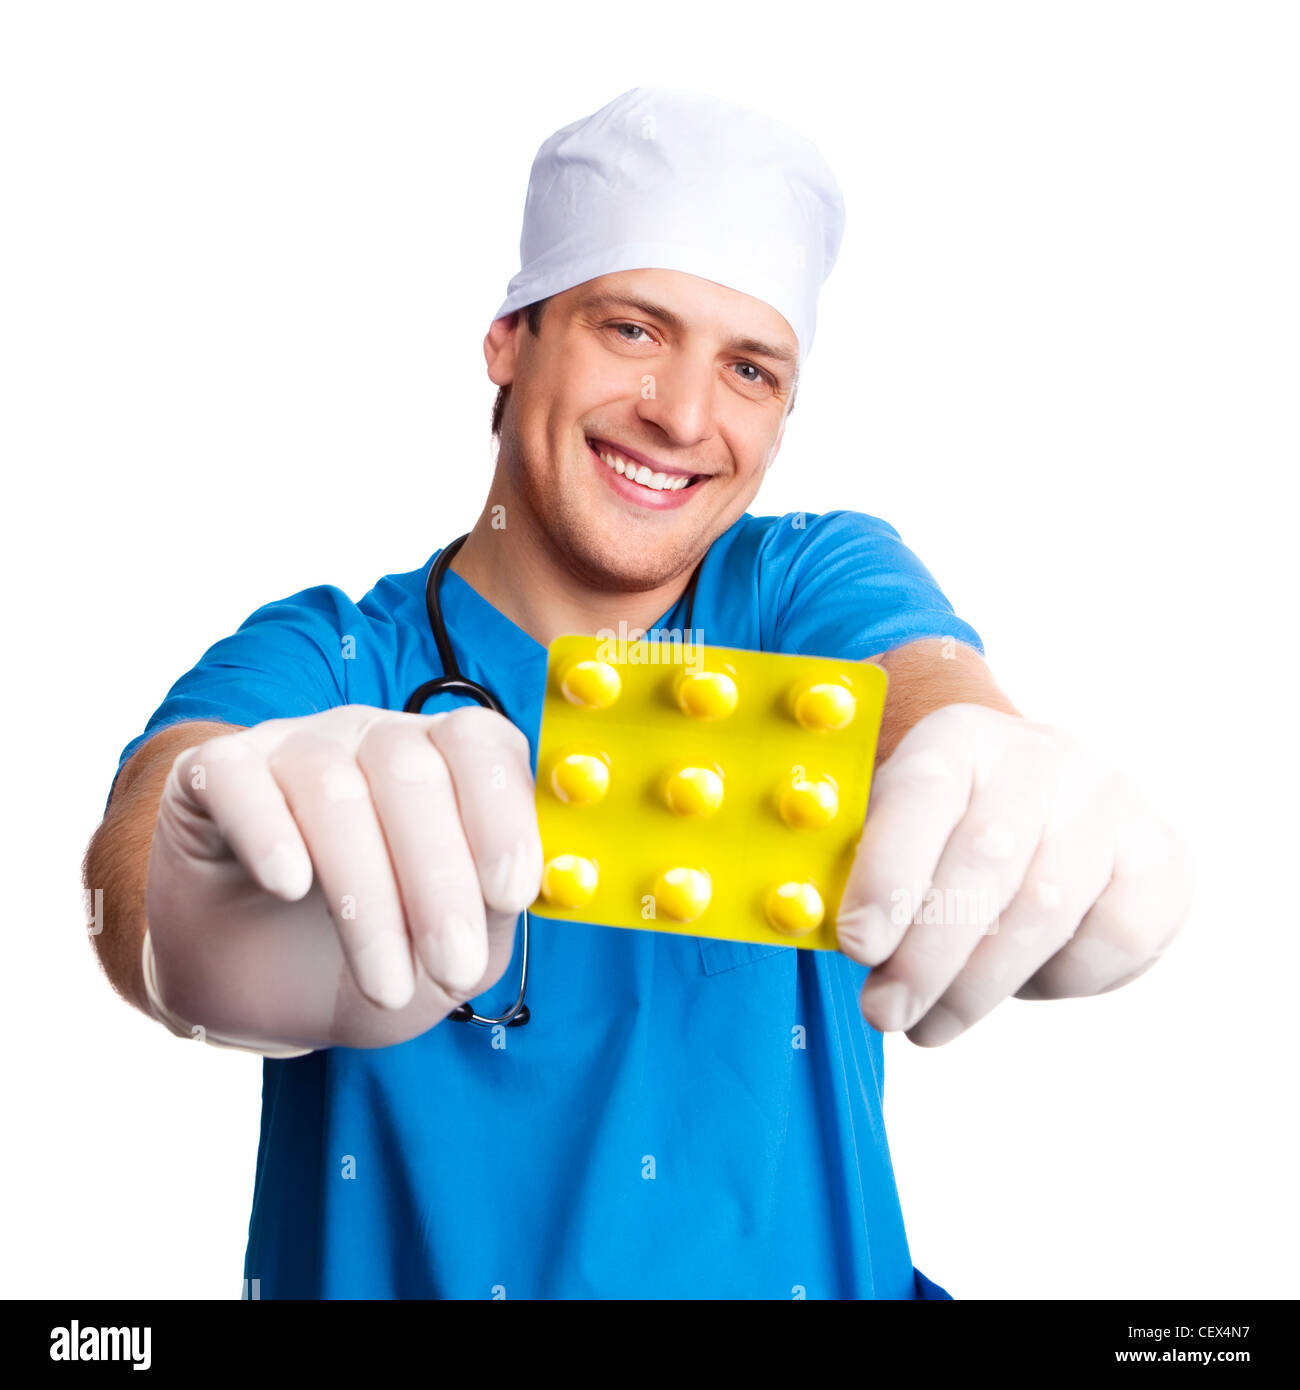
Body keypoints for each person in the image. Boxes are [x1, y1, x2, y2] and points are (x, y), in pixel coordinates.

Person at [83, 88, 1193, 1300]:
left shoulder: (798, 591)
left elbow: (919, 680)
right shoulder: (332, 658)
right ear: (509, 337)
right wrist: (194, 920)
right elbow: (143, 843)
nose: (683, 414)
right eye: (632, 329)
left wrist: (990, 756)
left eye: (750, 369)